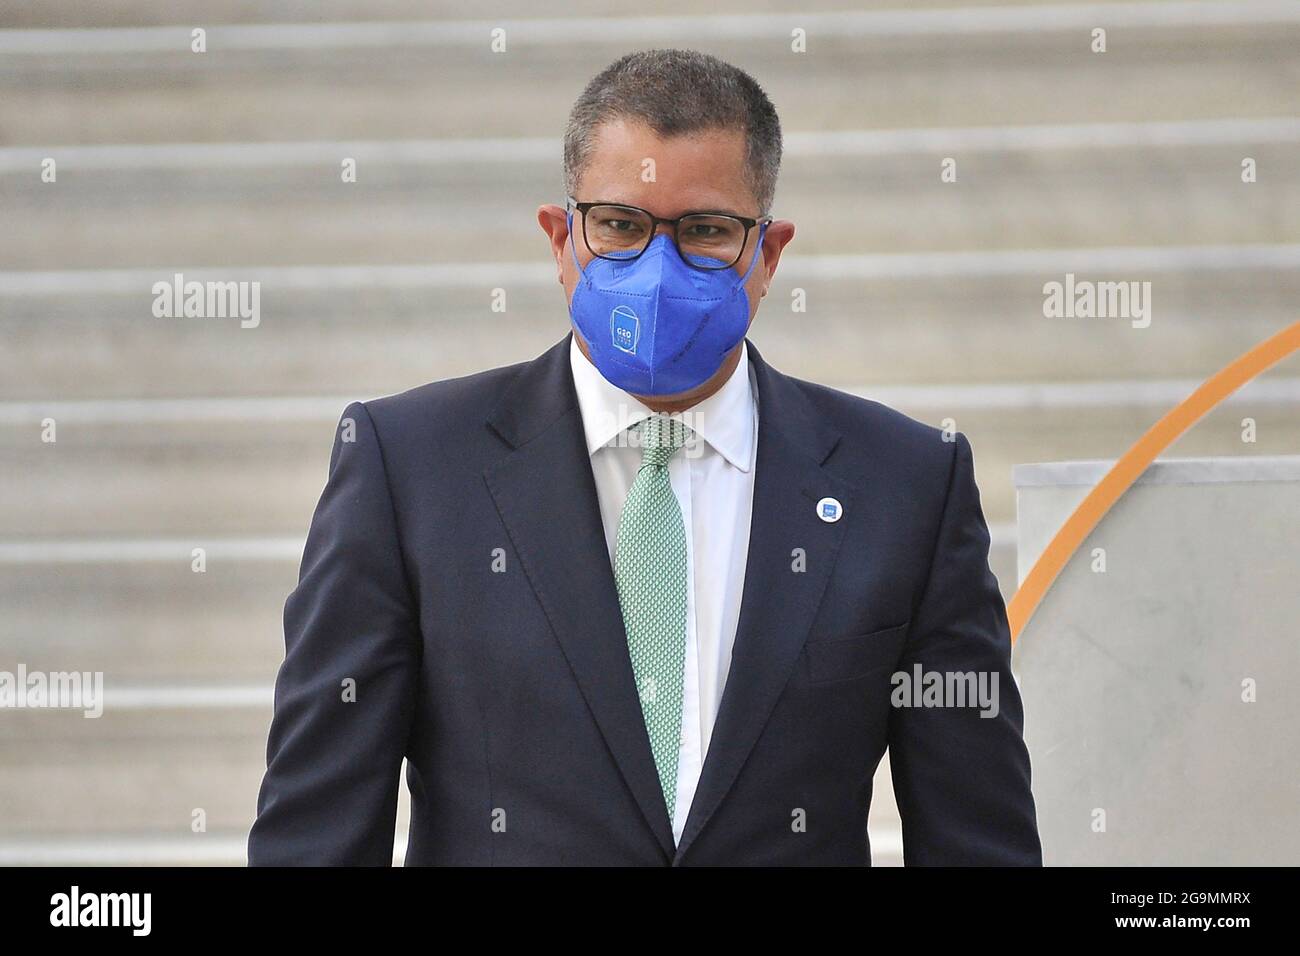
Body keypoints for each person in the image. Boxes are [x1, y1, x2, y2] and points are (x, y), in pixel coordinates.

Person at [248, 48, 1041, 866]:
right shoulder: (410, 470)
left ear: (769, 255)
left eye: (706, 231)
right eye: (621, 226)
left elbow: (978, 837)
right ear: (561, 240)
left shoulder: (906, 485)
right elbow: (316, 835)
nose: (658, 271)